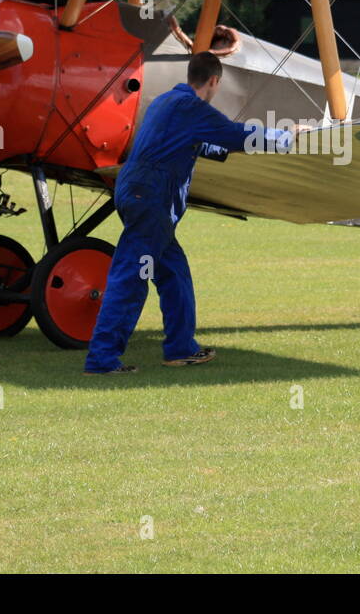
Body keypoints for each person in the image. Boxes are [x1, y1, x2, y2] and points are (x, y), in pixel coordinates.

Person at [84, 52, 291, 375]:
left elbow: (195, 142)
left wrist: (223, 148)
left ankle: (181, 349)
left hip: (138, 194)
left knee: (174, 274)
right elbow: (235, 134)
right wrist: (288, 137)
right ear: (214, 81)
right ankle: (102, 360)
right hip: (150, 200)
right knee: (133, 276)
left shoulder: (165, 102)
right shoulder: (190, 108)